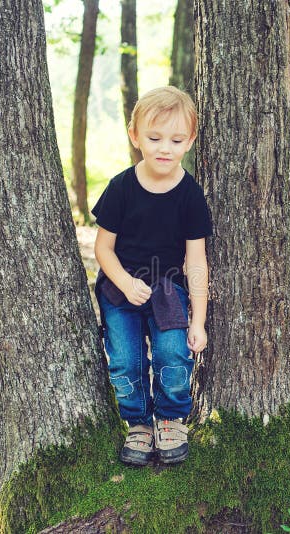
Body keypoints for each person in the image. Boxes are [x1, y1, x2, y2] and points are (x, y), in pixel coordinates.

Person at [92, 86, 211, 466]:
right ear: (135, 136)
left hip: (168, 290)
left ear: (190, 140)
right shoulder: (121, 188)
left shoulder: (190, 196)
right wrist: (126, 283)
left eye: (176, 140)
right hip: (120, 290)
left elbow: (196, 261)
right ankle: (138, 424)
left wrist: (199, 320)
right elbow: (102, 249)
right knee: (125, 361)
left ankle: (171, 419)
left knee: (173, 356)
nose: (165, 148)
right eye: (154, 138)